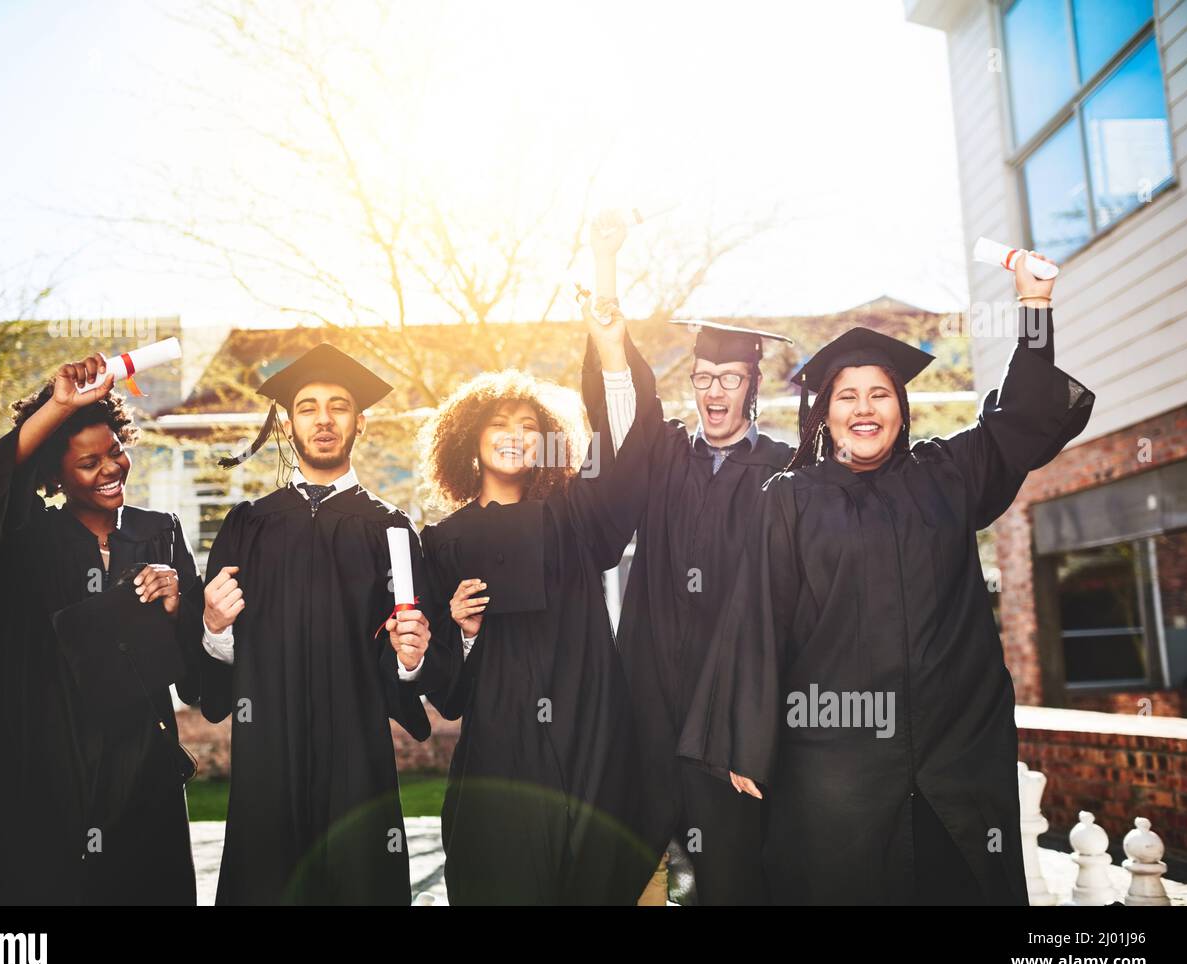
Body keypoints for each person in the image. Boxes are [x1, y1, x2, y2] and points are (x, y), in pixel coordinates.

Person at [679, 253, 1094, 904]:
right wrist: (743, 741)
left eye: (880, 393)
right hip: (835, 764)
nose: (864, 408)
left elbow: (1022, 418)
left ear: (900, 407)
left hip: (954, 750)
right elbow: (756, 617)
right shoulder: (789, 497)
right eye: (847, 395)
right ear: (824, 413)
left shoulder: (946, 474)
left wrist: (1034, 308)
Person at [577, 210, 794, 903]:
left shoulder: (787, 473)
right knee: (619, 875)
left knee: (732, 880)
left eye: (730, 378)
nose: (714, 391)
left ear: (752, 385)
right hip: (646, 707)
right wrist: (604, 272)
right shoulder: (665, 453)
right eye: (703, 376)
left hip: (732, 720)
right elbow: (622, 406)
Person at [198, 342, 451, 905]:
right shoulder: (248, 526)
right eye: (308, 406)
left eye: (338, 406)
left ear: (360, 420)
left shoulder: (390, 530)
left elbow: (417, 660)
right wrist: (214, 629)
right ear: (288, 423)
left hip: (355, 755)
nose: (323, 418)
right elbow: (212, 667)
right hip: (268, 752)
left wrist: (410, 661)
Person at [0, 354, 201, 905]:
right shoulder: (29, 542)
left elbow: (194, 657)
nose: (111, 469)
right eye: (88, 462)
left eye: (115, 451)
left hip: (141, 754)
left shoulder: (158, 532)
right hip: (50, 756)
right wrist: (60, 405)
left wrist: (174, 605)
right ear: (54, 476)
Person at [418, 369, 654, 904]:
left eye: (529, 426)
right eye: (497, 424)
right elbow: (447, 696)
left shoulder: (575, 518)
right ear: (470, 441)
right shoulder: (440, 543)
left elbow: (619, 457)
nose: (515, 435)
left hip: (589, 735)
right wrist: (463, 631)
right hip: (499, 752)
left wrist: (613, 355)